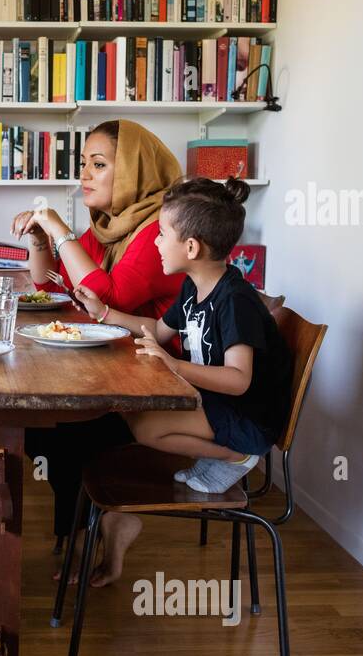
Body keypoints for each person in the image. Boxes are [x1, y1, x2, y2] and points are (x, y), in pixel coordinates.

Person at [73, 178, 293, 583]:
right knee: (127, 414)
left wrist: (173, 367)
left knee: (144, 427)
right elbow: (156, 331)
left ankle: (236, 458)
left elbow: (239, 380)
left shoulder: (235, 301)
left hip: (245, 416)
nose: (155, 243)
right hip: (218, 404)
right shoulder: (194, 287)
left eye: (161, 235)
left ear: (191, 248)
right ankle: (118, 517)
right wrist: (104, 313)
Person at [10, 120, 185, 584]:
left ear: (133, 171)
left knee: (59, 428)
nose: (85, 174)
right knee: (37, 425)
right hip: (121, 367)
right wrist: (40, 240)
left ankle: (93, 528)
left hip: (164, 382)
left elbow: (111, 294)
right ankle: (94, 523)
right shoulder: (111, 226)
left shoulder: (157, 230)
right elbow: (51, 282)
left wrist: (57, 224)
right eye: (83, 163)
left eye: (100, 164)